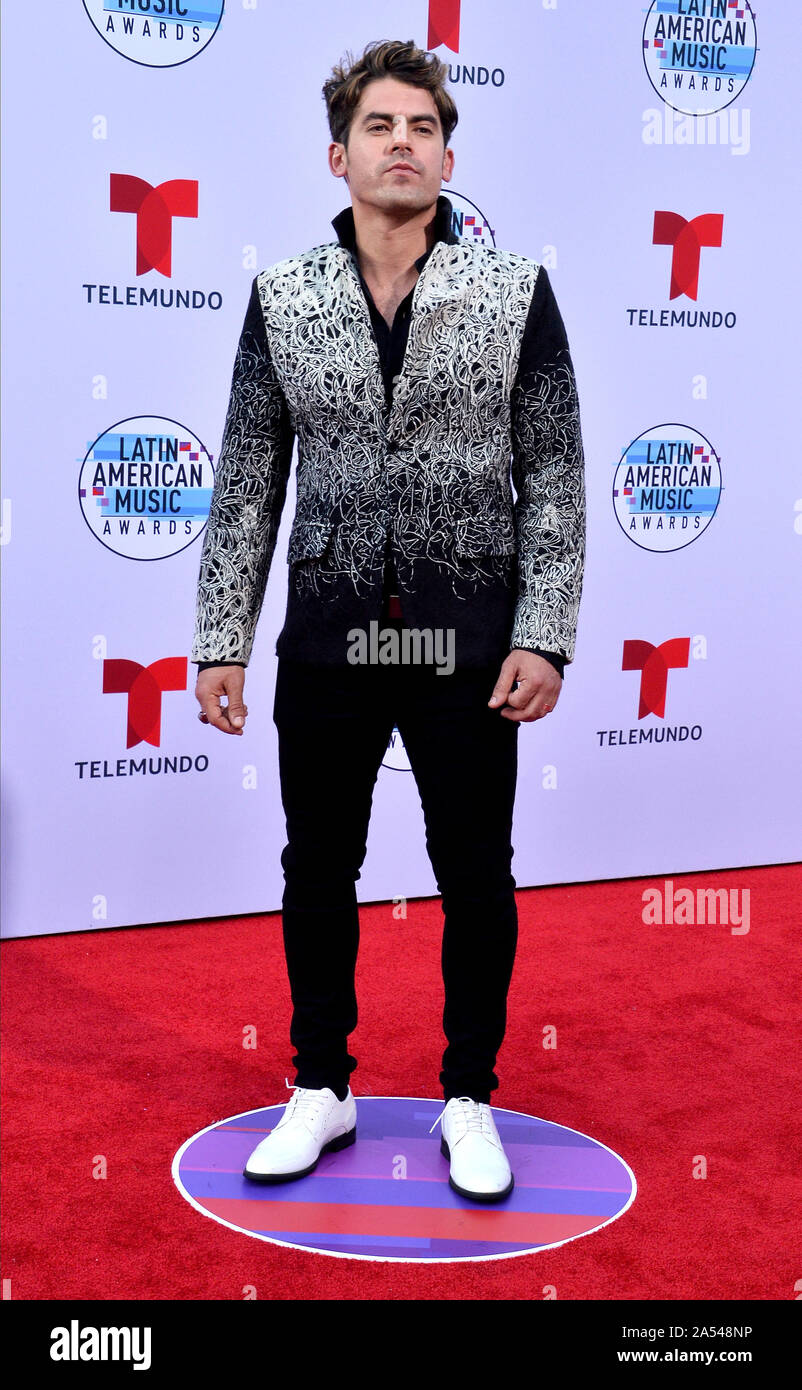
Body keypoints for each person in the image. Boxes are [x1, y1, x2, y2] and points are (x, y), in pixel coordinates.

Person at [191, 39, 586, 1203]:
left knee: (476, 870)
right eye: (379, 126)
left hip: (468, 638)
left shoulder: (513, 291)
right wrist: (222, 634)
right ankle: (322, 1084)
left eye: (421, 126)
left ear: (447, 155)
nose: (401, 141)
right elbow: (249, 476)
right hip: (330, 632)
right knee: (319, 864)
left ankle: (470, 1093)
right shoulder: (284, 295)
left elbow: (555, 472)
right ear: (339, 154)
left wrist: (544, 628)